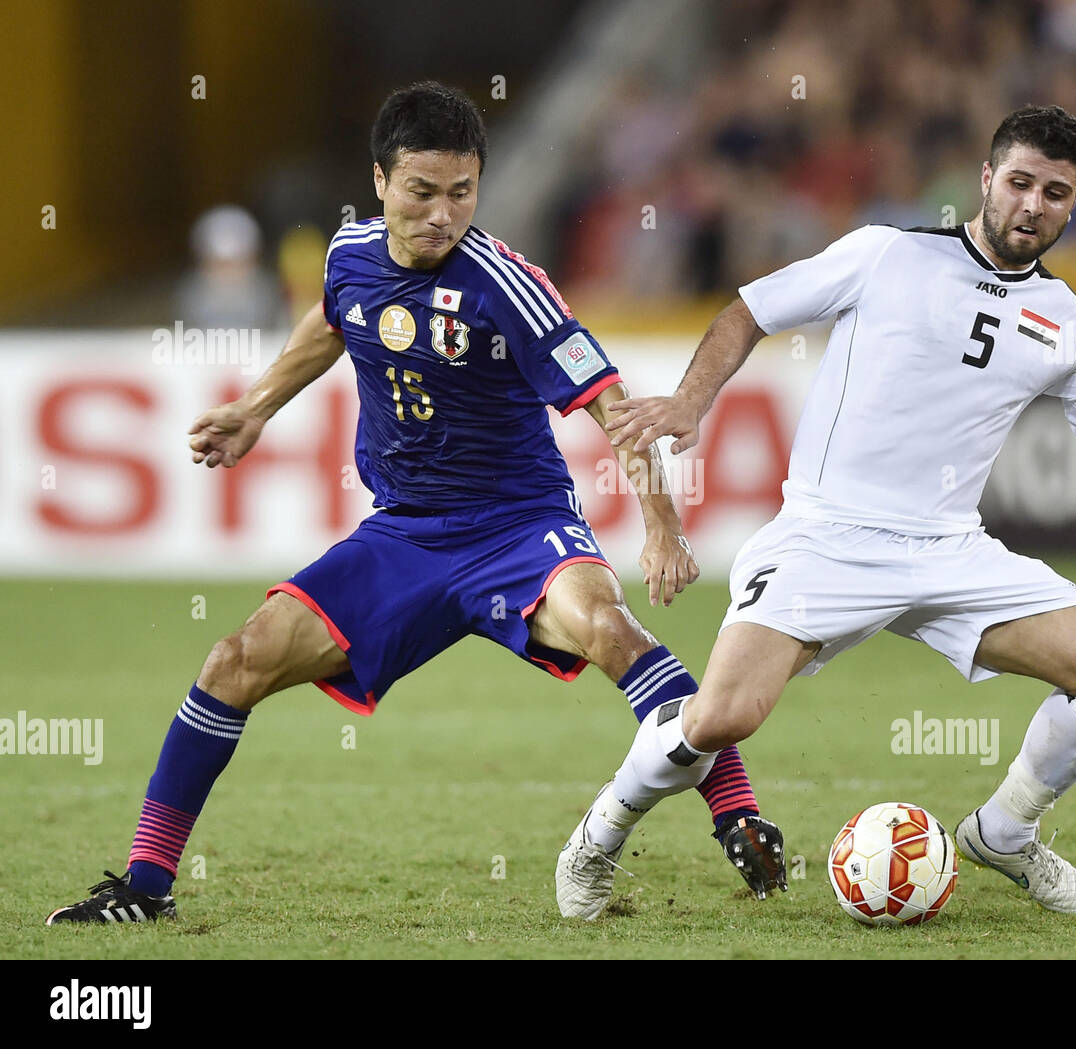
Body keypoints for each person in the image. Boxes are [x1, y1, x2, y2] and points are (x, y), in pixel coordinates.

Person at [46, 81, 785, 927]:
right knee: (233, 662)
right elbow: (332, 324)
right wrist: (254, 410)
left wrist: (662, 528)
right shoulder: (348, 254)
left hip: (517, 526)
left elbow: (613, 407)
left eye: (462, 193)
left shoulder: (510, 285)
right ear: (381, 181)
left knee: (614, 630)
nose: (443, 214)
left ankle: (737, 813)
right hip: (404, 535)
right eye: (423, 192)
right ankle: (145, 887)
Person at [558, 104, 1076, 917]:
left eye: (1056, 193)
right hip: (826, 536)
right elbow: (749, 311)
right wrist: (689, 400)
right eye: (1021, 183)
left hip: (950, 548)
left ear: (1074, 204)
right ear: (987, 181)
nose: (1033, 205)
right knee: (721, 717)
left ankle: (1005, 831)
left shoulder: (1073, 325)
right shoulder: (886, 252)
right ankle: (600, 835)